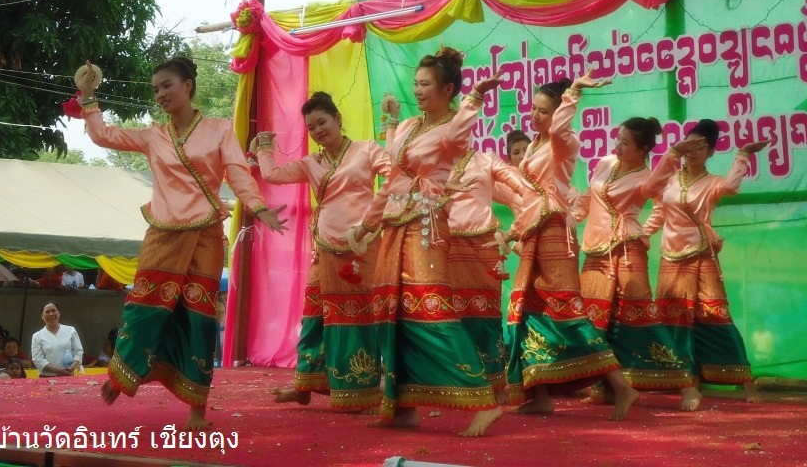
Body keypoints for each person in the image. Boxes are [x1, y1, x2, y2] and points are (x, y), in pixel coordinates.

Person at [74, 57, 287, 431]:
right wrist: (89, 95)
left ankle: (196, 412)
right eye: (156, 89)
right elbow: (102, 135)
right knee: (144, 308)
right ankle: (122, 376)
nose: (160, 95)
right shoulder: (152, 134)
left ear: (187, 85)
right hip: (163, 233)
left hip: (204, 236)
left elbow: (238, 174)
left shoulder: (220, 130)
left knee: (198, 321)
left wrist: (258, 207)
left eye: (167, 86)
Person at [349, 48, 504, 437]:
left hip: (426, 225)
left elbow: (460, 132)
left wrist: (476, 98)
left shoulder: (451, 128)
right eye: (415, 83)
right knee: (393, 312)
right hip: (396, 225)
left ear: (447, 88)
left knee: (431, 308)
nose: (417, 90)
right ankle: (402, 406)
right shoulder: (407, 127)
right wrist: (367, 226)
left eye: (425, 84)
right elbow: (392, 183)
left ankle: (482, 399)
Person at [502, 74, 639, 420]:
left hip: (554, 235)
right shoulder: (534, 145)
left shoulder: (565, 143)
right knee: (529, 312)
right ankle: (541, 394)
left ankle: (621, 386)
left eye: (544, 111)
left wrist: (573, 95)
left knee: (569, 313)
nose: (535, 116)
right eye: (533, 108)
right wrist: (512, 231)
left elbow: (560, 130)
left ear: (558, 113)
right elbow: (528, 196)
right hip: (535, 231)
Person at [252, 91, 392, 411]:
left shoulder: (365, 150)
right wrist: (263, 148)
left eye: (322, 122)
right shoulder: (311, 163)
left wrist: (394, 130)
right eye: (311, 127)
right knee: (315, 317)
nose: (317, 131)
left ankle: (361, 389)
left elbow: (395, 172)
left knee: (357, 317)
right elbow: (273, 174)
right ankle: (306, 385)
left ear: (338, 120)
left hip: (361, 246)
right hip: (325, 246)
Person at [575, 116, 706, 410]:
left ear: (643, 149)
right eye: (617, 139)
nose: (617, 146)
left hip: (626, 251)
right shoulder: (606, 163)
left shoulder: (646, 177)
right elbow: (586, 199)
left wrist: (642, 232)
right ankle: (609, 387)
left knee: (642, 317)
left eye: (625, 142)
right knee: (596, 319)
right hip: (596, 251)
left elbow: (657, 201)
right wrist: (570, 219)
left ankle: (687, 387)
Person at [644, 120, 768, 404]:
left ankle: (747, 385)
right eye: (691, 144)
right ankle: (686, 382)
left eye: (701, 147)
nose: (694, 151)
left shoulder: (712, 183)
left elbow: (731, 187)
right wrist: (642, 233)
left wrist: (743, 155)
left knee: (715, 318)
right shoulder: (669, 179)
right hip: (670, 259)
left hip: (701, 256)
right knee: (674, 321)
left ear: (711, 152)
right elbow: (657, 210)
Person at [444, 146, 533, 401]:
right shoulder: (435, 164)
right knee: (454, 316)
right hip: (449, 246)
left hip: (483, 243)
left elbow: (520, 187)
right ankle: (462, 383)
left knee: (485, 314)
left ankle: (495, 385)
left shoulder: (486, 160)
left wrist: (534, 191)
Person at [32, 302, 83, 377]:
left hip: (68, 376)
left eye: (53, 310)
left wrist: (72, 367)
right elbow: (37, 359)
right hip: (46, 378)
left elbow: (78, 351)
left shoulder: (71, 330)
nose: (51, 314)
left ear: (59, 313)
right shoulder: (37, 336)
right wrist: (57, 370)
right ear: (42, 316)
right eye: (47, 312)